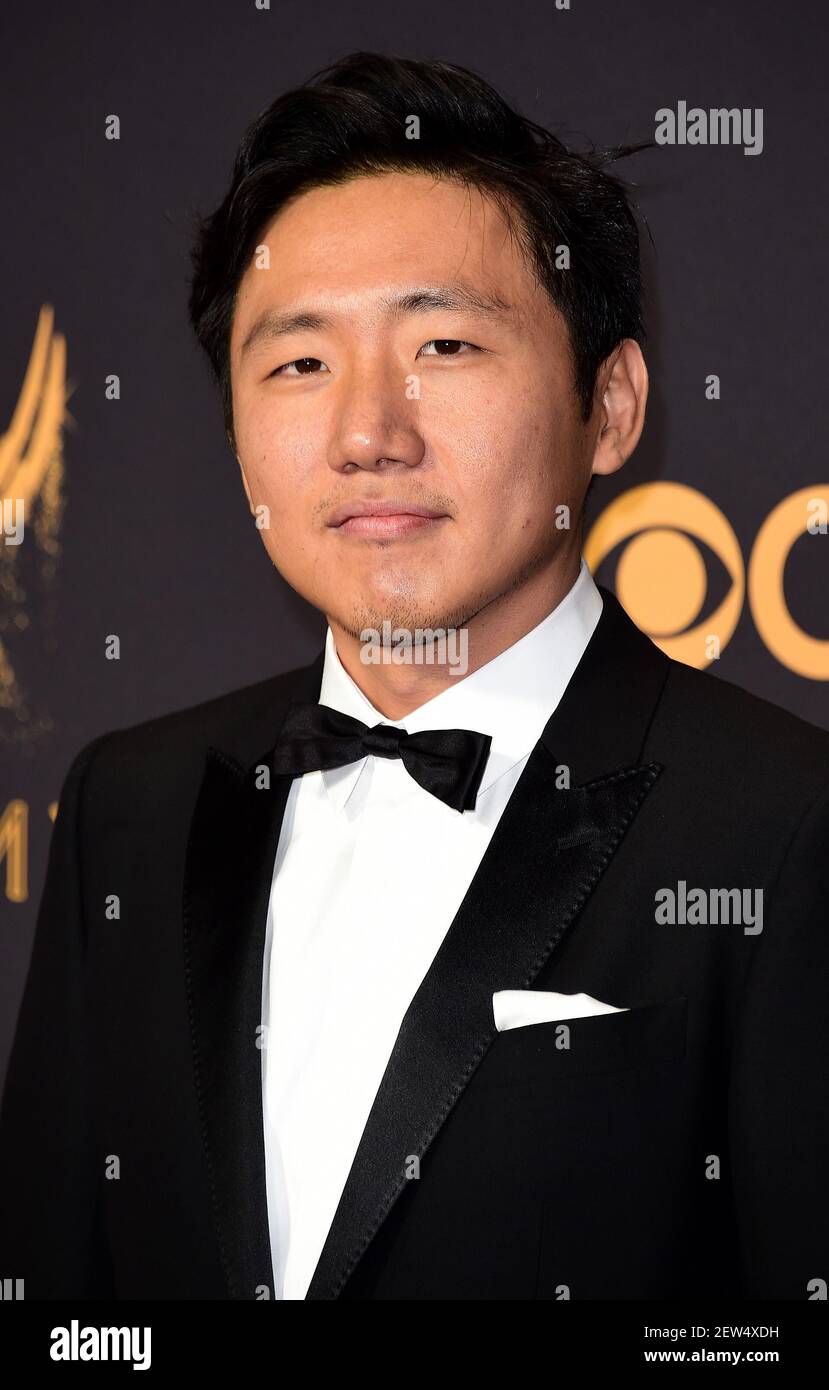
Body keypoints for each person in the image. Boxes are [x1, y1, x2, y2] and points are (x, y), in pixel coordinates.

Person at [2, 51, 827, 1301]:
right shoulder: (130, 803)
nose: (367, 432)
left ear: (609, 407)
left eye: (442, 343)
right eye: (297, 363)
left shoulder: (785, 823)